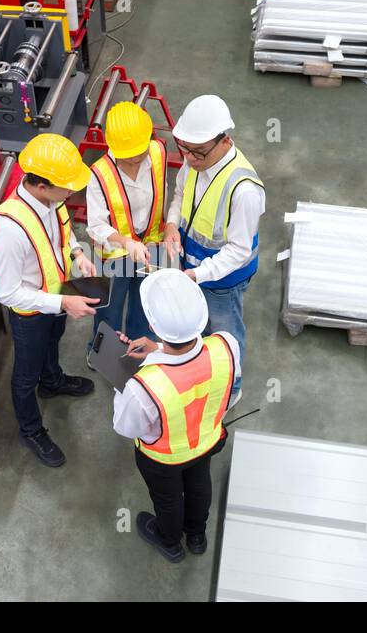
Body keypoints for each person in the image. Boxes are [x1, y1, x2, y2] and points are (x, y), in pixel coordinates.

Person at [113, 268, 241, 563]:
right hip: (207, 441)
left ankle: (170, 542)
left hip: (163, 460)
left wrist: (127, 379)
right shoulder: (226, 346)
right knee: (199, 483)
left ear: (152, 323)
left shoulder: (143, 387)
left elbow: (124, 427)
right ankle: (196, 535)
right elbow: (197, 366)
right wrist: (158, 350)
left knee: (168, 500)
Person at [0, 133, 100, 468]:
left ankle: (52, 382)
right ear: (40, 186)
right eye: (67, 187)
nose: (72, 192)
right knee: (25, 373)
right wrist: (62, 304)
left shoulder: (53, 200)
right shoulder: (10, 229)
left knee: (54, 341)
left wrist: (78, 253)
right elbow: (5, 292)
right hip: (30, 314)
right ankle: (31, 429)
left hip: (57, 296)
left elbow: (63, 235)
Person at [162, 95, 263, 402]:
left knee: (226, 335)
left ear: (224, 140)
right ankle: (203, 372)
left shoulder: (244, 190)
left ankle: (231, 388)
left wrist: (199, 275)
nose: (190, 159)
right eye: (185, 149)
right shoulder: (195, 160)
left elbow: (239, 250)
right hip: (193, 271)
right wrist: (170, 224)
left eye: (198, 153)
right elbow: (180, 194)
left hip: (222, 281)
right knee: (199, 328)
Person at [85, 101, 167, 355]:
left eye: (139, 156)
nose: (135, 163)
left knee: (145, 303)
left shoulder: (157, 152)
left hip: (152, 245)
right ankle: (101, 353)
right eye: (128, 159)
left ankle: (137, 349)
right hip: (114, 254)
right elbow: (96, 224)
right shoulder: (98, 174)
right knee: (109, 309)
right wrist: (126, 242)